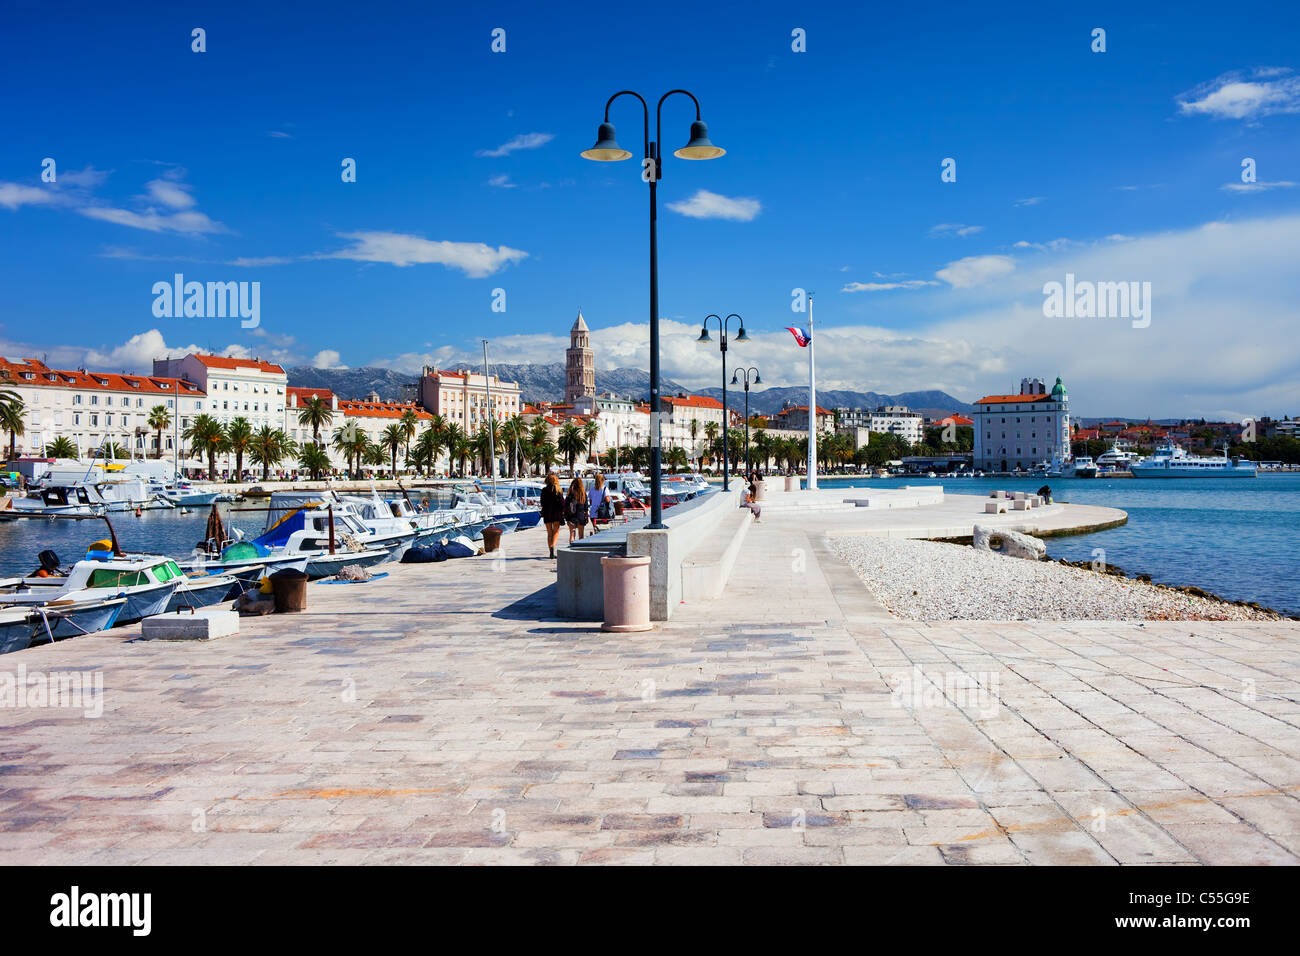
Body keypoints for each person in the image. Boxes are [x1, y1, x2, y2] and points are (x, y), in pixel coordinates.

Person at [540, 472, 565, 558]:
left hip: (547, 513)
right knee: (556, 531)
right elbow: (562, 503)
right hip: (556, 513)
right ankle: (552, 547)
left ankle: (550, 550)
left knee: (549, 532)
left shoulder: (544, 490)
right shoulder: (558, 490)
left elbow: (542, 502)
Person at [564, 477, 588, 543]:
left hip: (571, 516)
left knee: (572, 534)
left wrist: (566, 516)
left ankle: (571, 547)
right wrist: (586, 516)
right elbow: (586, 507)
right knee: (581, 535)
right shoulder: (583, 494)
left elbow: (566, 505)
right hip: (581, 516)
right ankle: (580, 550)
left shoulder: (570, 494)